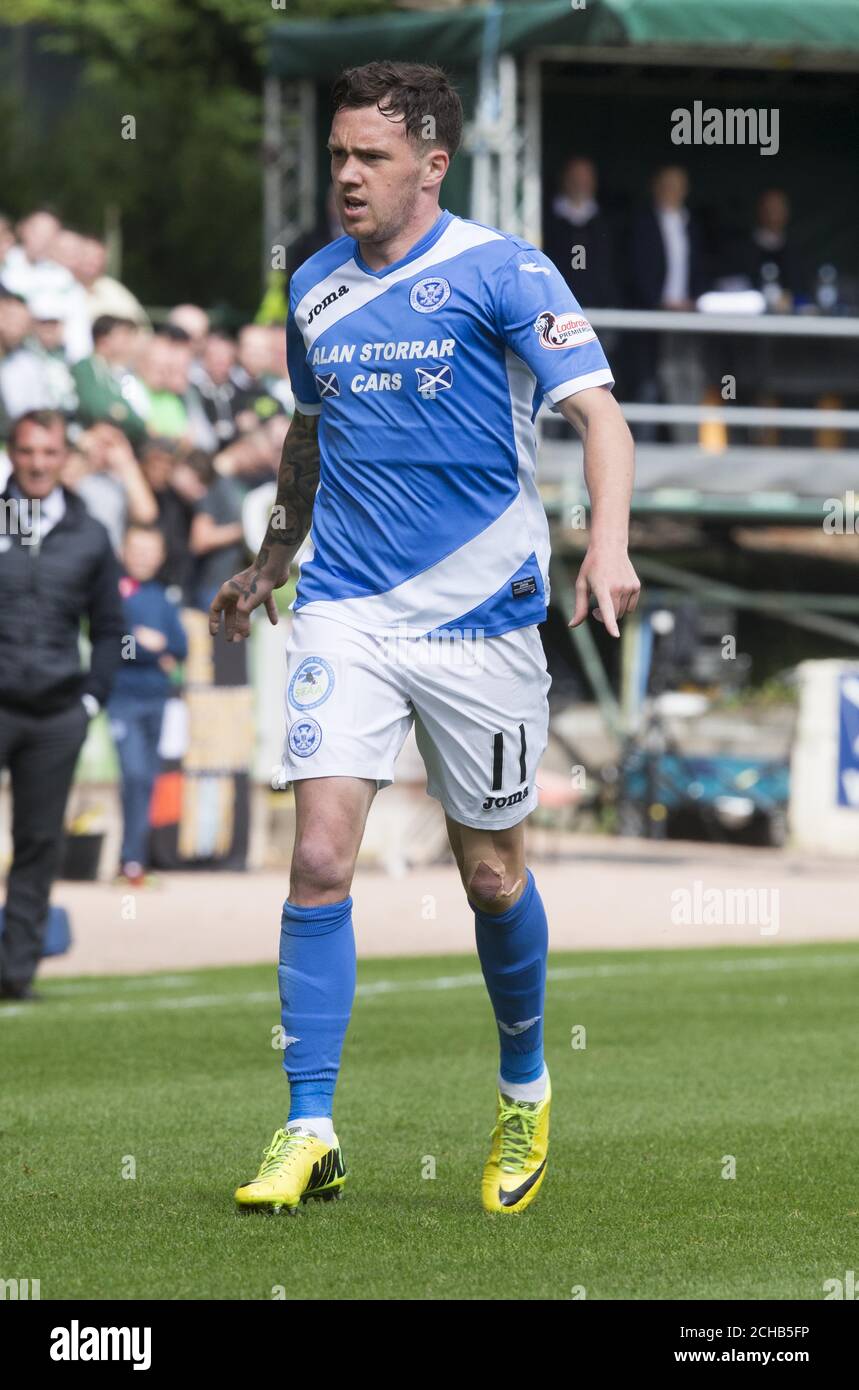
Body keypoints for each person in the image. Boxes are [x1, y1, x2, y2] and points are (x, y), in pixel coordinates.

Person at [210, 61, 639, 1216]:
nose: (347, 177)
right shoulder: (312, 286)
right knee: (315, 858)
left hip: (483, 624)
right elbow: (310, 434)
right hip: (346, 607)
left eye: (372, 159)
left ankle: (523, 1085)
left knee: (492, 876)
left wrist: (604, 544)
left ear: (432, 164)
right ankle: (308, 1124)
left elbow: (600, 411)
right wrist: (273, 557)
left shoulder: (503, 269)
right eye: (338, 156)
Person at [0, 410, 124, 1001]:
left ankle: (15, 975)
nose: (38, 463)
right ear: (13, 452)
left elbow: (109, 629)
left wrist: (92, 700)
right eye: (28, 451)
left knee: (40, 841)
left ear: (63, 457)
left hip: (56, 715)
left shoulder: (90, 533)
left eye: (49, 452)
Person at [108, 525, 187, 885]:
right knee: (134, 776)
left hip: (157, 701)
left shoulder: (163, 597)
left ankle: (134, 860)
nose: (142, 557)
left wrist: (152, 644)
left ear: (160, 555)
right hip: (123, 699)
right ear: (124, 551)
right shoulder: (113, 592)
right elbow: (117, 644)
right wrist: (151, 648)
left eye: (149, 550)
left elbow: (180, 646)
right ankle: (130, 860)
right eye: (135, 549)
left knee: (148, 780)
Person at [544, 156, 619, 308]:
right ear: (564, 179)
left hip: (603, 310)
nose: (580, 183)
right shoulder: (543, 219)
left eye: (585, 177)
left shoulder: (610, 222)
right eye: (575, 177)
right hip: (556, 308)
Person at [72, 315, 146, 446]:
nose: (129, 344)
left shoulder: (114, 373)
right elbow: (96, 408)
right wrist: (125, 415)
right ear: (103, 340)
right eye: (124, 338)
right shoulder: (86, 367)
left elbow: (138, 422)